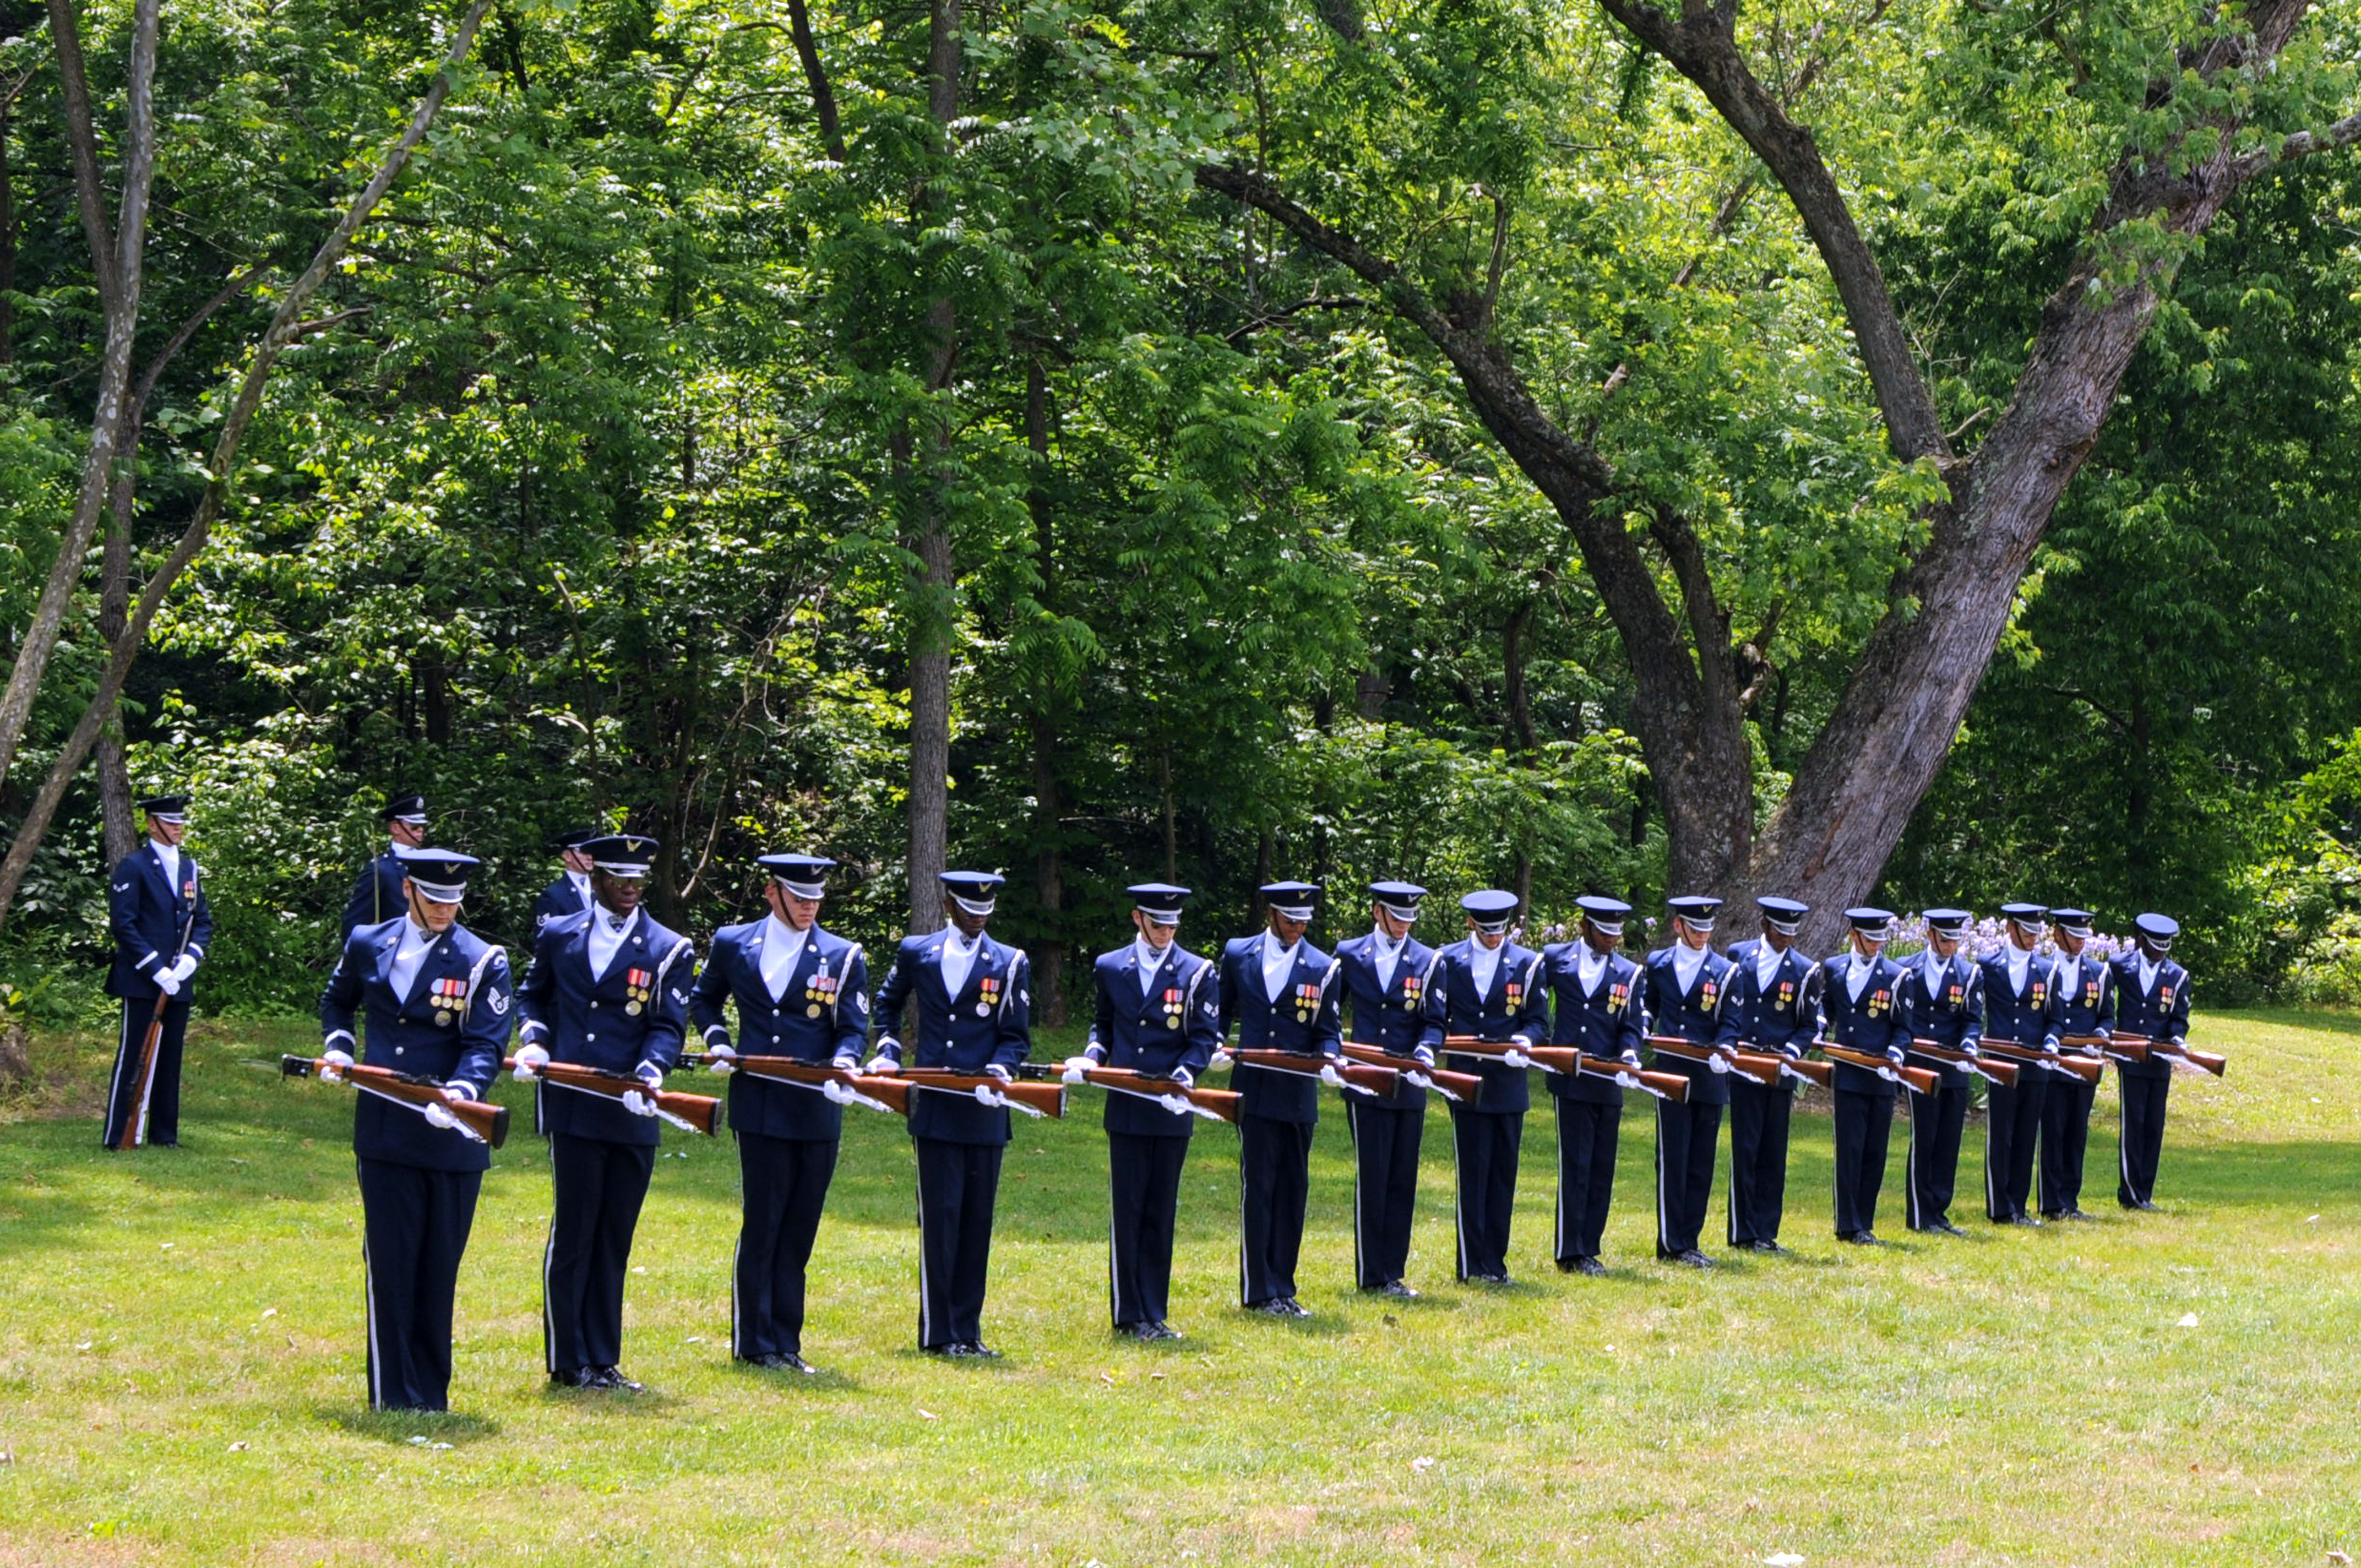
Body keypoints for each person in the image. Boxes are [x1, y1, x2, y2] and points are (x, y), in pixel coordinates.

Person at [317, 846, 513, 1411]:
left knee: (438, 1266)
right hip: (384, 1128)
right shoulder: (368, 942)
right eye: (434, 898)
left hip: (451, 1131)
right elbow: (337, 1000)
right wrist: (340, 1046)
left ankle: (430, 1392)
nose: (446, 909)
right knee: (390, 1261)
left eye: (454, 900)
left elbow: (486, 1040)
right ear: (409, 891)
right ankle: (391, 1393)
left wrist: (463, 1093)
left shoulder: (483, 959)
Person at [514, 832, 694, 1393]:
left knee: (614, 1233)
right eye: (619, 878)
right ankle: (568, 1359)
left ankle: (603, 1357)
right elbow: (533, 995)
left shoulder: (668, 946)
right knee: (575, 1230)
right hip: (573, 1102)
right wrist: (537, 1040)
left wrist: (652, 1069)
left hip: (630, 1105)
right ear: (595, 877)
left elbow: (667, 1023)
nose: (631, 888)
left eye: (638, 879)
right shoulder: (558, 933)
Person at [689, 853, 871, 1375]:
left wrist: (842, 1061)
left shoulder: (842, 954)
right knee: (763, 1220)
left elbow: (853, 1026)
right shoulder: (733, 942)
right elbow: (704, 1000)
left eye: (817, 898)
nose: (810, 907)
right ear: (772, 892)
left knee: (800, 1227)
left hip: (815, 1104)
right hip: (761, 1101)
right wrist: (719, 1040)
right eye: (799, 897)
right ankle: (753, 1340)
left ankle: (786, 1342)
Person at [867, 871, 1035, 1357]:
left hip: (984, 1109)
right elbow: (887, 1001)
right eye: (970, 909)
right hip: (937, 1107)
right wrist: (890, 1049)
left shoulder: (1009, 961)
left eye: (986, 911)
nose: (979, 918)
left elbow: (1016, 1034)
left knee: (976, 1222)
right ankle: (939, 1332)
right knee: (940, 1219)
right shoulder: (918, 951)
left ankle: (969, 1330)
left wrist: (1001, 1070)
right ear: (948, 904)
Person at [1065, 883, 1221, 1341]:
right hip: (1128, 1105)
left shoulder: (1197, 970)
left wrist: (1187, 1074)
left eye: (1173, 925)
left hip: (1171, 1104)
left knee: (1160, 1211)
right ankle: (1128, 1313)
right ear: (1138, 919)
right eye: (1158, 924)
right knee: (1128, 1208)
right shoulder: (1111, 966)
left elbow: (1204, 1036)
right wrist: (1092, 1057)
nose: (1166, 933)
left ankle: (1154, 1311)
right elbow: (1105, 1025)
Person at [1216, 880, 1344, 1316]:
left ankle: (1283, 1288)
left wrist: (1329, 1059)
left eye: (1305, 922)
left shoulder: (1323, 966)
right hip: (1252, 1088)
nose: (1298, 929)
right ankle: (1257, 1289)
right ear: (1272, 914)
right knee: (1260, 1186)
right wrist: (1214, 1046)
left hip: (1296, 1093)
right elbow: (1221, 1010)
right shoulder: (1238, 953)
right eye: (1291, 920)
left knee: (1293, 1189)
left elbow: (1329, 1031)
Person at [1422, 890, 1548, 1286]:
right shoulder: (1448, 960)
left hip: (1508, 1082)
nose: (1494, 938)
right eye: (1486, 930)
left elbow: (1539, 1022)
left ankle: (1495, 1263)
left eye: (1500, 931)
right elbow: (1436, 1018)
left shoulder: (1527, 964)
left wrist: (1525, 1043)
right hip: (1466, 1082)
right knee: (1473, 1173)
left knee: (1502, 1177)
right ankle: (1470, 1263)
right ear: (1471, 924)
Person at [1331, 880, 1439, 1298]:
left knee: (1402, 1179)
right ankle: (1371, 1272)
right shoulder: (1349, 953)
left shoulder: (1428, 960)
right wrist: (1334, 1056)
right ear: (1378, 912)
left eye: (1410, 920)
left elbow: (1435, 1020)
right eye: (1396, 918)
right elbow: (1329, 1010)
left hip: (1408, 1082)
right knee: (1373, 1175)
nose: (1403, 927)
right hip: (1365, 1079)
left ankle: (1392, 1272)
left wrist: (1426, 1052)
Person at [101, 793, 214, 1150]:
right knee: (134, 1055)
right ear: (152, 824)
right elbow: (124, 925)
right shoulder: (133, 867)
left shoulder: (189, 868)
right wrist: (156, 968)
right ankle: (119, 1133)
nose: (178, 827)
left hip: (178, 980)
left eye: (181, 821)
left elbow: (203, 921)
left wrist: (190, 960)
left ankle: (165, 1136)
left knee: (170, 1059)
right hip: (142, 980)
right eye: (170, 822)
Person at [1541, 896, 1645, 1276]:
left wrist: (1631, 1054)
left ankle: (1590, 1247)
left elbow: (1633, 1024)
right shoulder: (1555, 958)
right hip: (1570, 1076)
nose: (1611, 941)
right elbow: (1535, 1005)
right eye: (1604, 933)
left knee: (1602, 1166)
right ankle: (1570, 1249)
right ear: (1585, 927)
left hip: (1608, 1076)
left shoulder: (1629, 972)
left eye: (1616, 934)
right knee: (1576, 1163)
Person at [1641, 895, 1737, 1267]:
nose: (1701, 935)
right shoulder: (1659, 964)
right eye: (1694, 928)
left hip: (1708, 1073)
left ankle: (1689, 1241)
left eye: (1707, 929)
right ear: (1678, 925)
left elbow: (1731, 1019)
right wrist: (1643, 1030)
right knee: (1672, 1156)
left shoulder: (1725, 970)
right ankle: (1670, 1242)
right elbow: (1647, 1005)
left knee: (1700, 1161)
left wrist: (1725, 1049)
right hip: (1670, 1072)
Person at [1722, 895, 1818, 1254]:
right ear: (1765, 926)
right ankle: (1742, 1231)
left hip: (1779, 1069)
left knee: (1773, 1153)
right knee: (1745, 1149)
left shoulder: (1804, 969)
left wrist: (1792, 1053)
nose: (1786, 939)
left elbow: (1808, 1025)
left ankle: (1766, 1231)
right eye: (1780, 932)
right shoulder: (1737, 955)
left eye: (1792, 933)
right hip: (1745, 1066)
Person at [1820, 907, 1914, 1244]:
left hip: (1881, 1075)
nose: (1876, 946)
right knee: (1850, 1149)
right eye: (1869, 939)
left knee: (1875, 1151)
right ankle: (1847, 1223)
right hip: (1848, 1072)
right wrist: (1819, 1027)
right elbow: (1828, 1007)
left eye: (1879, 940)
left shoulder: (1896, 974)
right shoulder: (1834, 968)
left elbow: (1905, 1028)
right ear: (1854, 936)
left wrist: (1896, 1054)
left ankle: (1865, 1223)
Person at [1978, 903, 2064, 1226]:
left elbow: (2056, 1019)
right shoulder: (1988, 965)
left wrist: (2052, 1041)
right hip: (2001, 1063)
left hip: (2035, 1065)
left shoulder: (2047, 969)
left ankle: (2019, 1205)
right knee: (2001, 1135)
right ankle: (2000, 1207)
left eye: (2035, 933)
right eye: (2026, 932)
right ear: (2010, 928)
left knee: (2027, 1136)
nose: (2032, 939)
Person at [1901, 908, 1983, 1235]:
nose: (1951, 945)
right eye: (1945, 938)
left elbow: (1972, 1019)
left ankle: (1939, 1211)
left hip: (1953, 1065)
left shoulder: (1968, 973)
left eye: (1955, 939)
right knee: (1925, 1136)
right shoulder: (1908, 968)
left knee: (1949, 1141)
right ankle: (1920, 1214)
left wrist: (1968, 1046)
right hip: (1920, 1065)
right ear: (1931, 935)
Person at [2112, 912, 2191, 1211]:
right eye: (2155, 945)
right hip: (2130, 1057)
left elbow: (2178, 1020)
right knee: (2132, 1125)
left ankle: (2145, 1191)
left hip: (2159, 1060)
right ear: (2141, 940)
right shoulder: (2121, 966)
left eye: (2165, 946)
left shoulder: (2177, 975)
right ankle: (2130, 1192)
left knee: (2153, 1127)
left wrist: (2177, 1039)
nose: (2161, 951)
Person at [2039, 907, 2114, 1221]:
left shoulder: (2098, 972)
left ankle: (2070, 1199)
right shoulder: (2043, 968)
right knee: (2053, 1132)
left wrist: (2098, 1037)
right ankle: (2052, 1202)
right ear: (2058, 935)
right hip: (2055, 1061)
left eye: (2084, 937)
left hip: (2084, 1061)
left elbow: (2108, 1016)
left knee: (2076, 1133)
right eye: (2074, 936)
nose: (2081, 943)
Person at [342, 794, 428, 940]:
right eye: (415, 826)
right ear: (396, 828)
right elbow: (355, 922)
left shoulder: (428, 863)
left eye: (422, 826)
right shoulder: (380, 870)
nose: (420, 830)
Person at [533, 829, 597, 935]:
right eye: (583, 851)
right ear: (567, 856)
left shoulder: (602, 889)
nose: (590, 857)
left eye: (591, 851)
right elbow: (544, 938)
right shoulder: (553, 895)